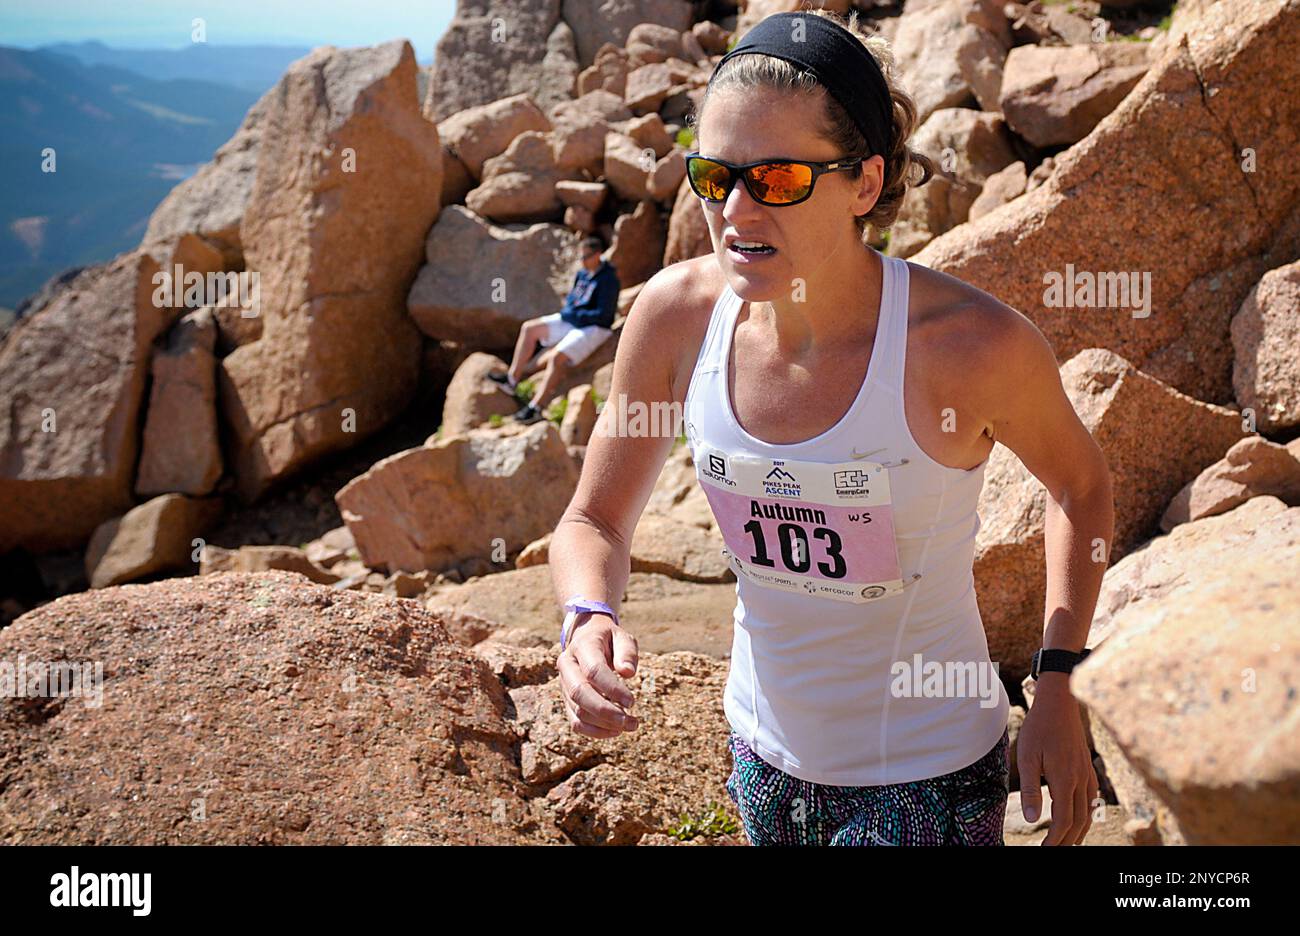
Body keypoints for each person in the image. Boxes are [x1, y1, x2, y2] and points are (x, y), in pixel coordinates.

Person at [548, 9, 1114, 846]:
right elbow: (592, 520)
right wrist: (586, 614)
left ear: (864, 182)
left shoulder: (966, 346)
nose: (736, 211)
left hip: (928, 777)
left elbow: (1081, 484)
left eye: (775, 180)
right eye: (714, 176)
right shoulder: (674, 318)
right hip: (760, 762)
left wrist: (1059, 682)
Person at [490, 235, 620, 424]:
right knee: (529, 328)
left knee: (557, 358)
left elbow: (604, 315)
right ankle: (512, 379)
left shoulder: (609, 280)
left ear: (598, 255)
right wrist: (570, 313)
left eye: (586, 257)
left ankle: (535, 407)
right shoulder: (583, 273)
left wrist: (574, 315)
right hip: (571, 319)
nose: (582, 261)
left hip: (594, 327)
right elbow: (572, 300)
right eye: (581, 257)